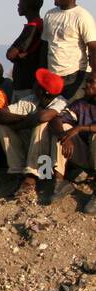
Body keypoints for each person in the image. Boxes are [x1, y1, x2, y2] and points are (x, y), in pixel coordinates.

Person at [0, 67, 67, 201]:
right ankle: (18, 171)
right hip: (32, 145)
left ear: (43, 91)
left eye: (38, 83)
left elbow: (43, 117)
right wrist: (24, 121)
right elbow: (0, 114)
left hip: (50, 153)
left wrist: (20, 123)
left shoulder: (60, 102)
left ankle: (32, 177)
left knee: (42, 125)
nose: (34, 84)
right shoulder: (32, 99)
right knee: (4, 126)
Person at [43, 0, 96, 99]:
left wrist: (93, 74)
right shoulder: (50, 14)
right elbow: (45, 45)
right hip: (53, 75)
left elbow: (93, 47)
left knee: (66, 112)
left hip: (75, 74)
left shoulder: (82, 16)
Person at [50, 72, 96, 210]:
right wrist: (65, 136)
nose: (86, 85)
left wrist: (81, 128)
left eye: (91, 82)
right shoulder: (81, 104)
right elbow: (57, 119)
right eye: (86, 81)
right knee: (62, 131)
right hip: (87, 156)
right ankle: (59, 183)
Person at [6, 0, 46, 102]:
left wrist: (18, 56)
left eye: (20, 2)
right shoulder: (40, 25)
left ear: (27, 5)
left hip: (27, 82)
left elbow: (10, 54)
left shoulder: (33, 27)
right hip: (29, 80)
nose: (18, 5)